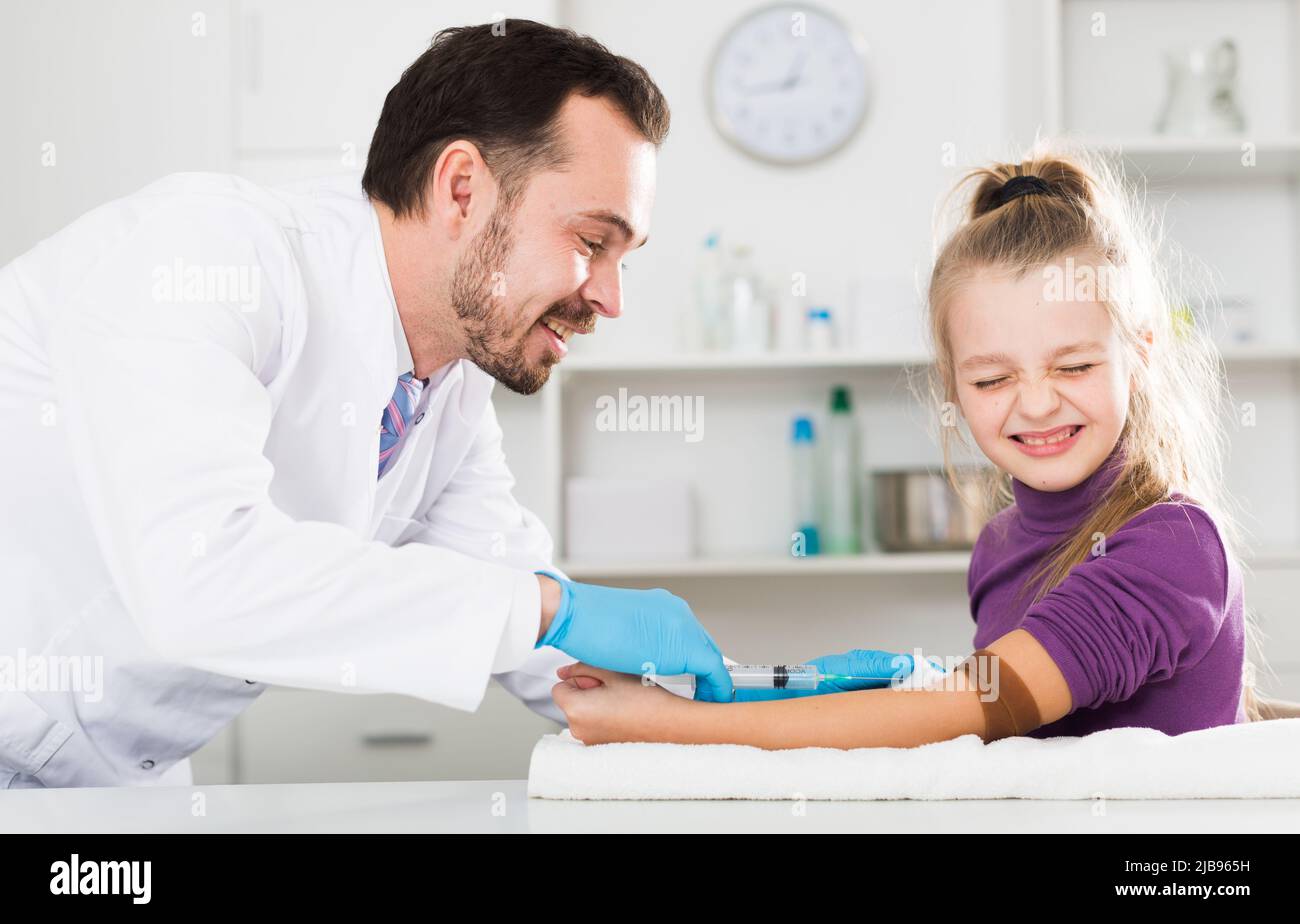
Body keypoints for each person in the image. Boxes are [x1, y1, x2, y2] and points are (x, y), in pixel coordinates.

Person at [0, 19, 739, 789]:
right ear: (463, 189)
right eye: (592, 240)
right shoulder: (201, 258)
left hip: (117, 780)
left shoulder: (443, 388)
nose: (610, 299)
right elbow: (203, 578)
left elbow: (516, 613)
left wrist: (753, 693)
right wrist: (556, 607)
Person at [553, 146, 1297, 748]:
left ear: (1141, 353)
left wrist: (674, 726)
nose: (1036, 402)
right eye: (993, 377)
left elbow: (980, 707)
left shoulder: (1172, 541)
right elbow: (1024, 710)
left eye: (1074, 366)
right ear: (952, 384)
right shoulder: (1002, 541)